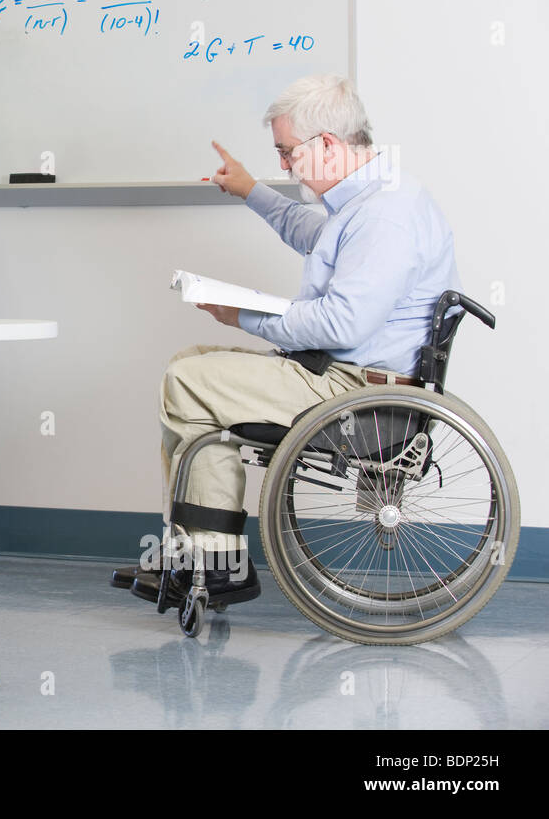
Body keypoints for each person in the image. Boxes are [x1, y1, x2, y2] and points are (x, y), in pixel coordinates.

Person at [112, 74, 461, 606]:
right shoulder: (372, 196)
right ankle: (206, 557)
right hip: (344, 376)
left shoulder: (385, 216)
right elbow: (313, 235)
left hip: (358, 395)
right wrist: (252, 191)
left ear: (326, 145)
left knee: (187, 379)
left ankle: (209, 558)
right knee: (191, 367)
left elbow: (343, 324)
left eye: (287, 153)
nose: (284, 166)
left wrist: (243, 317)